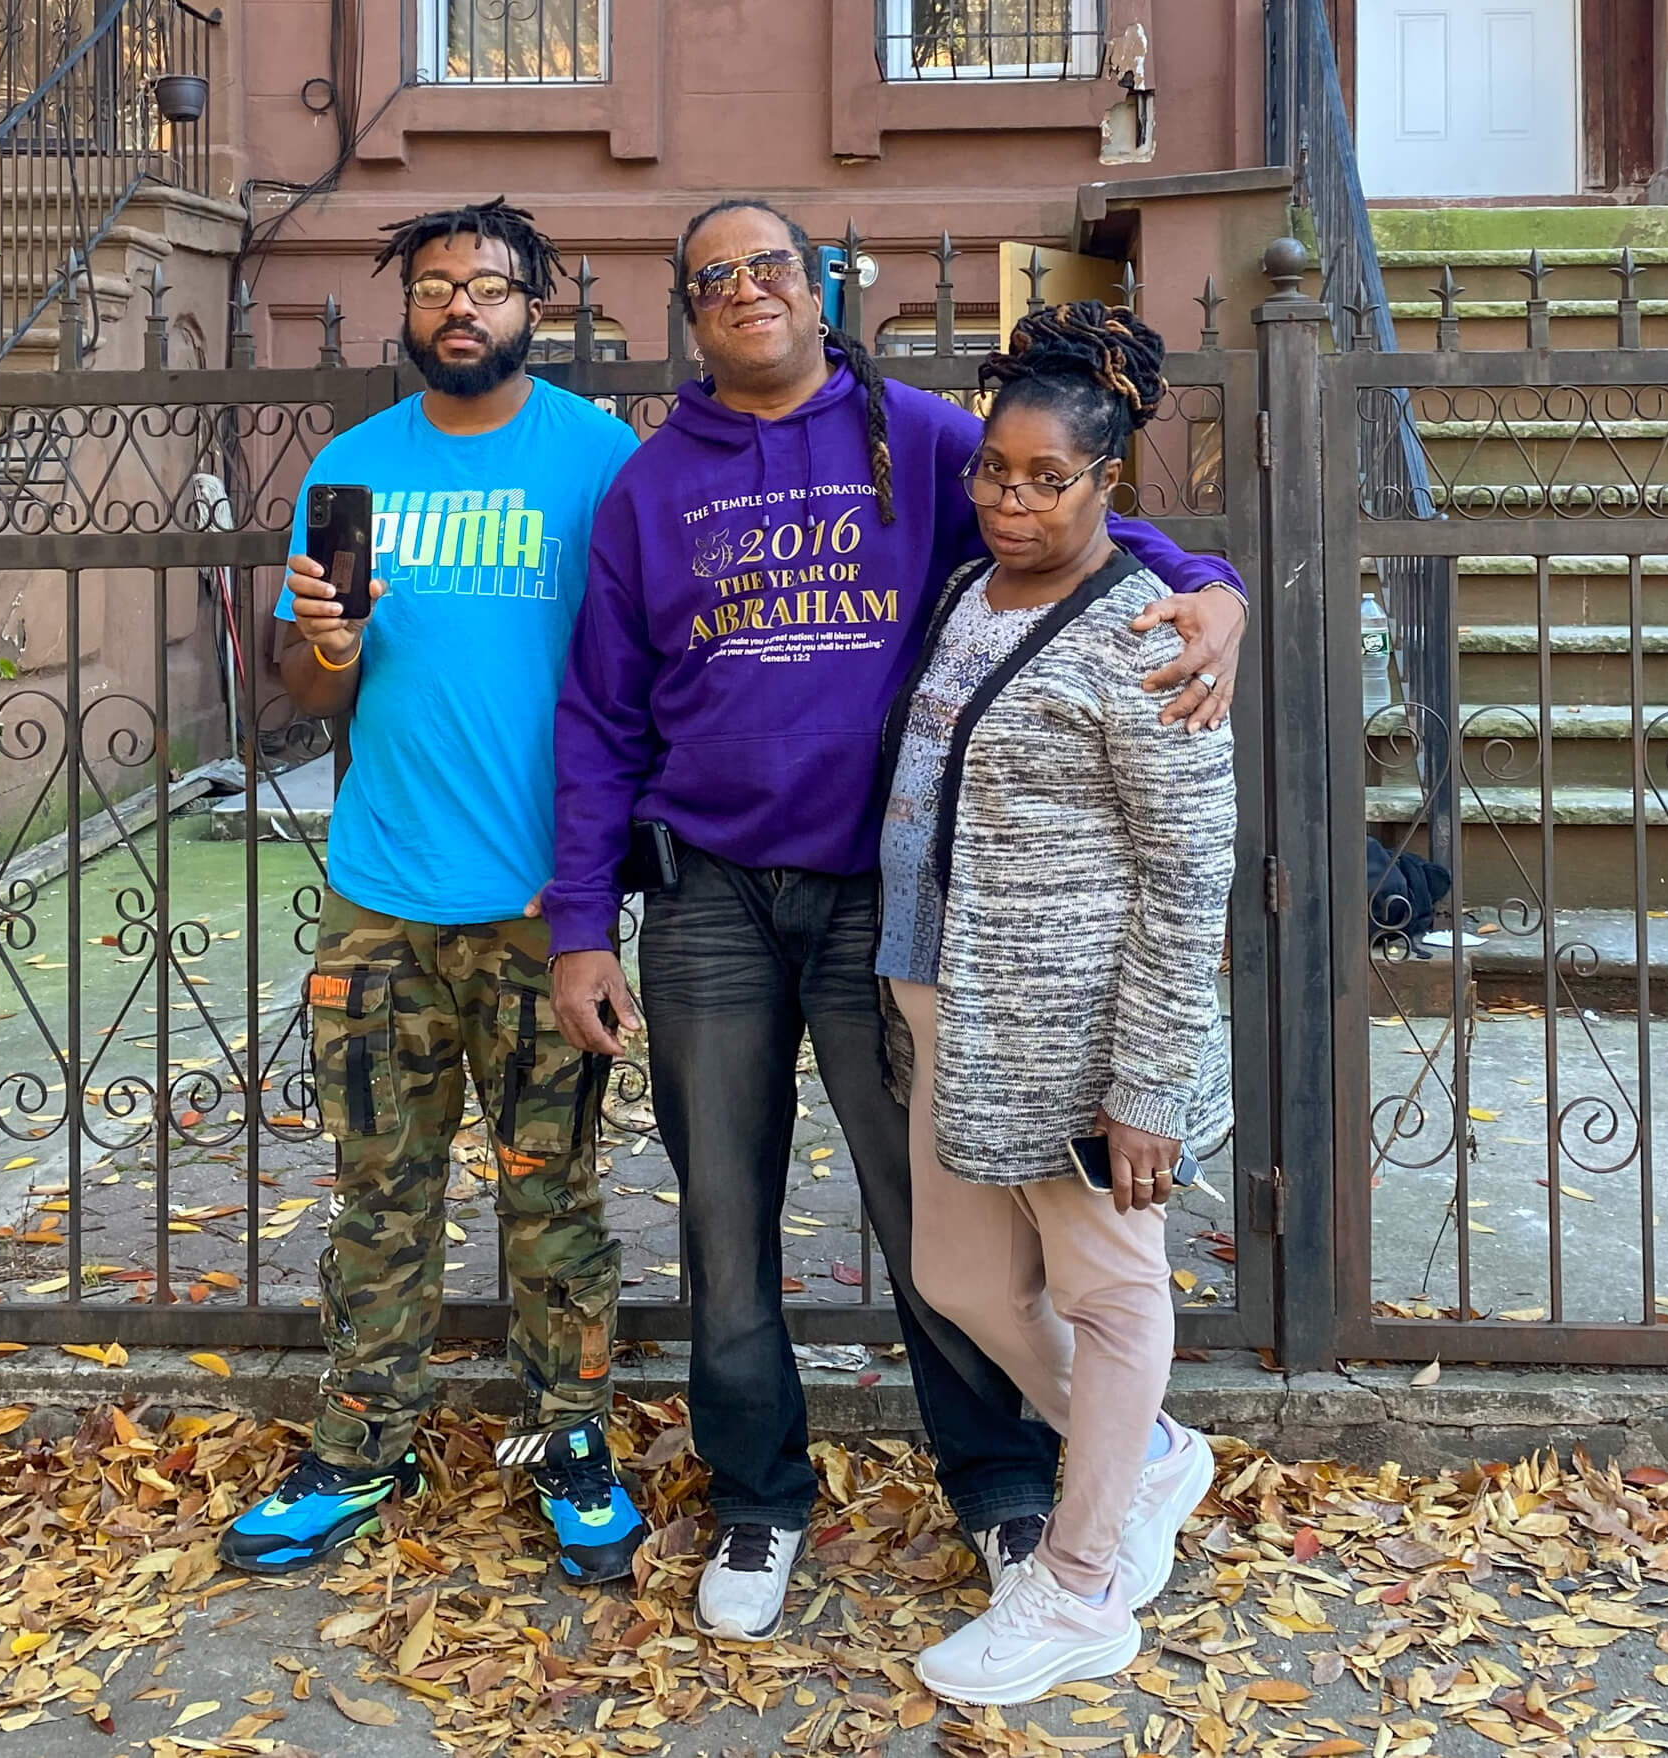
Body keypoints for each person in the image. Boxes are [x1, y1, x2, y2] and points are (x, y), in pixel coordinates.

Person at [544, 199, 1246, 1642]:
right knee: (722, 1209)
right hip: (708, 896)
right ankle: (759, 1495)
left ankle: (999, 1479)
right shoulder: (649, 486)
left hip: (883, 896)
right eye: (715, 276)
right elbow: (601, 714)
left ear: (820, 288)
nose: (747, 289)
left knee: (931, 1211)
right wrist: (579, 922)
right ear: (689, 310)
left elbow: (1068, 517)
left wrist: (1211, 587)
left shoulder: (920, 435)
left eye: (771, 266)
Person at [224, 199, 649, 1584]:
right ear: (406, 310)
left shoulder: (597, 459)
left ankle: (568, 1442)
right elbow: (308, 689)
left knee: (553, 1196)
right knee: (378, 1193)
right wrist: (329, 643)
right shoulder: (352, 467)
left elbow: (641, 668)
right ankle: (363, 1447)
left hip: (539, 905)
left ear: (537, 304)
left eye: (489, 284)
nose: (461, 305)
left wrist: (597, 889)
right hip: (382, 897)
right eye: (435, 286)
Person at [891, 303, 1237, 1703]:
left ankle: (1082, 1584)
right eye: (994, 470)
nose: (1011, 499)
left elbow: (1190, 874)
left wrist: (1148, 1087)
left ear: (1108, 482)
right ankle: (1146, 1453)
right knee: (960, 1278)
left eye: (1047, 478)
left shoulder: (1150, 634)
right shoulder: (972, 592)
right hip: (952, 1007)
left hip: (1079, 1034)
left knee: (1109, 1292)